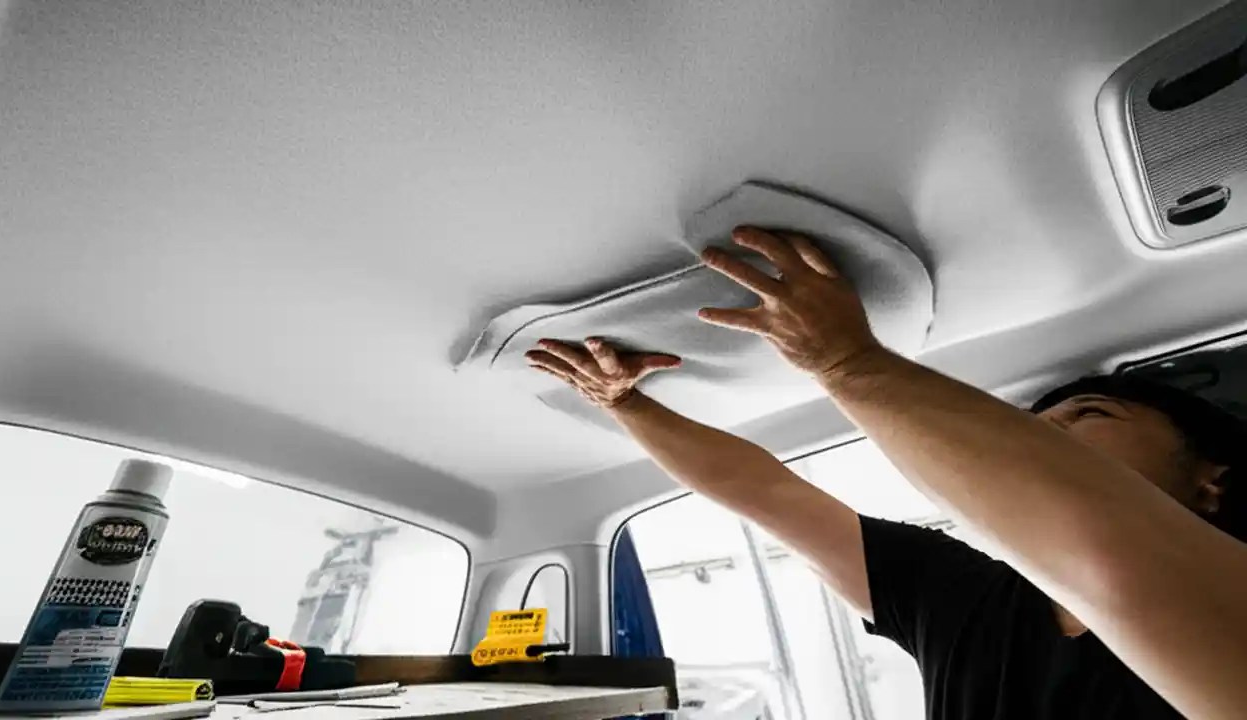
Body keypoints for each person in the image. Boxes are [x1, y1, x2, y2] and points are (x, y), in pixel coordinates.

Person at [525, 226, 1247, 720]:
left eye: (1089, 415)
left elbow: (1107, 554)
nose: (1042, 441)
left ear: (1211, 479)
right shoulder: (958, 595)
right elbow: (768, 495)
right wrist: (624, 405)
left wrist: (847, 362)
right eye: (1034, 428)